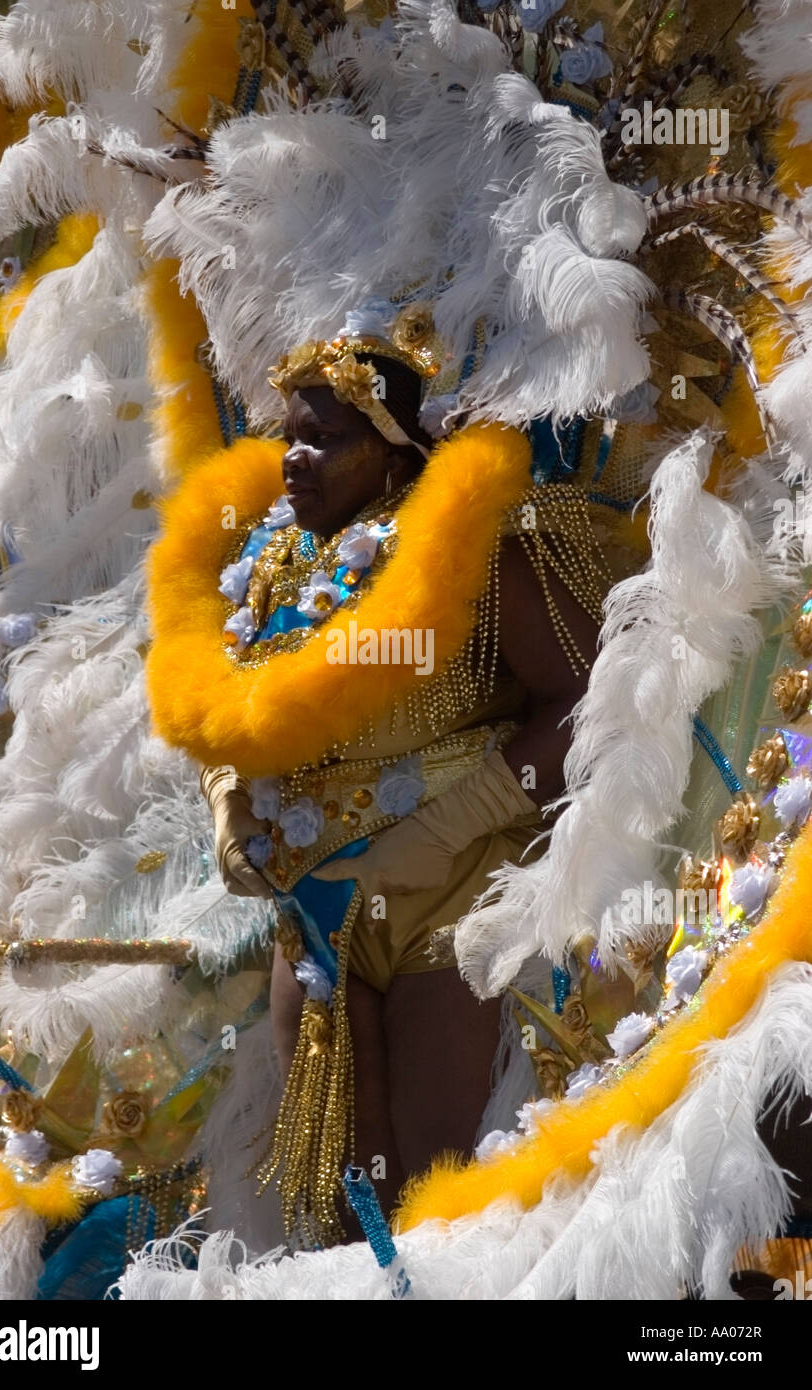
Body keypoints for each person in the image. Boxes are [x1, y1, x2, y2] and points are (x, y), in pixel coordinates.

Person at [188, 320, 608, 1244]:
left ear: (392, 451)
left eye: (325, 440)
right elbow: (221, 711)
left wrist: (453, 824)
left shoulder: (471, 549)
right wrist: (229, 808)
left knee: (433, 1202)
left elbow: (589, 698)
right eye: (287, 437)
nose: (294, 460)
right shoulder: (267, 564)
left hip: (450, 899)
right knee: (336, 1206)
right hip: (314, 911)